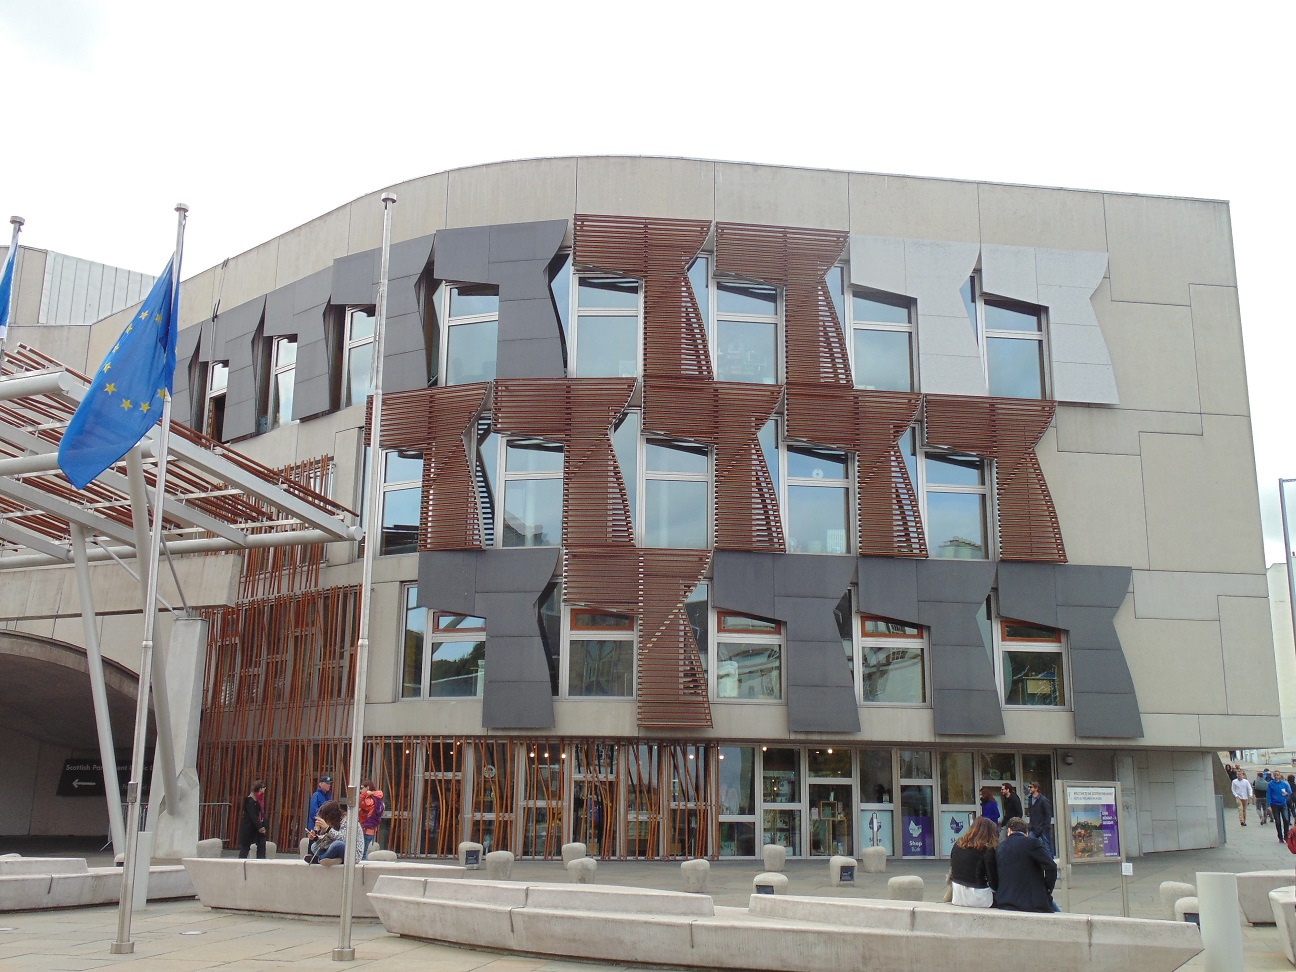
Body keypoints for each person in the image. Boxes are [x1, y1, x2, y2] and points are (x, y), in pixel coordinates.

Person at [994, 817, 1058, 913]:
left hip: (1005, 902)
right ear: (1026, 832)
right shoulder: (1032, 843)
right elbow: (1051, 867)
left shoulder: (999, 847)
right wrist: (1046, 888)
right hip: (1033, 903)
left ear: (1009, 831)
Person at [949, 816, 999, 908]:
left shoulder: (957, 845)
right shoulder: (987, 850)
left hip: (957, 894)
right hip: (977, 896)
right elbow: (993, 881)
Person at [304, 799, 342, 864]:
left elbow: (343, 839)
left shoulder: (344, 821)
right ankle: (336, 860)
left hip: (348, 851)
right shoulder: (333, 823)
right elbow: (328, 839)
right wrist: (316, 837)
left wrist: (327, 828)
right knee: (314, 846)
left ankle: (319, 859)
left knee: (337, 845)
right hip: (333, 848)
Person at [238, 780, 268, 859]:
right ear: (260, 789)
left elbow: (262, 813)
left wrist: (263, 825)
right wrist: (260, 827)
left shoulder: (261, 799)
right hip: (250, 827)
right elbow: (253, 815)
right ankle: (240, 863)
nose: (265, 789)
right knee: (245, 847)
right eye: (264, 788)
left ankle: (261, 862)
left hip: (258, 826)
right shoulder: (250, 800)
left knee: (262, 844)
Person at [358, 780, 385, 859]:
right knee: (363, 852)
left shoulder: (369, 801)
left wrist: (364, 794)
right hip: (371, 829)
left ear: (368, 788)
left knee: (362, 854)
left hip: (365, 829)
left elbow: (360, 803)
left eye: (362, 788)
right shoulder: (376, 799)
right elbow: (380, 793)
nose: (361, 790)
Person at [1026, 782, 1054, 858]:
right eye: (1029, 787)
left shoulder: (1043, 800)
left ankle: (1051, 863)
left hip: (1043, 827)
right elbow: (1031, 814)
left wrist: (1046, 827)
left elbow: (1048, 815)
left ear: (1036, 788)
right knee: (1030, 845)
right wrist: (1030, 826)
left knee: (1047, 846)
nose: (1029, 789)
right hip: (1033, 827)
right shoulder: (1030, 799)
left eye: (1031, 787)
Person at [1267, 771, 1293, 843]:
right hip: (1274, 805)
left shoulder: (1284, 784)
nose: (1276, 776)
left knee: (1286, 820)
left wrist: (1286, 793)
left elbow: (1289, 792)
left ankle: (1286, 836)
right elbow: (1268, 795)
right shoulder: (1270, 784)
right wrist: (1269, 805)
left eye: (1277, 775)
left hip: (1283, 804)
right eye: (1275, 775)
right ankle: (1280, 837)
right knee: (1278, 821)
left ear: (1280, 776)